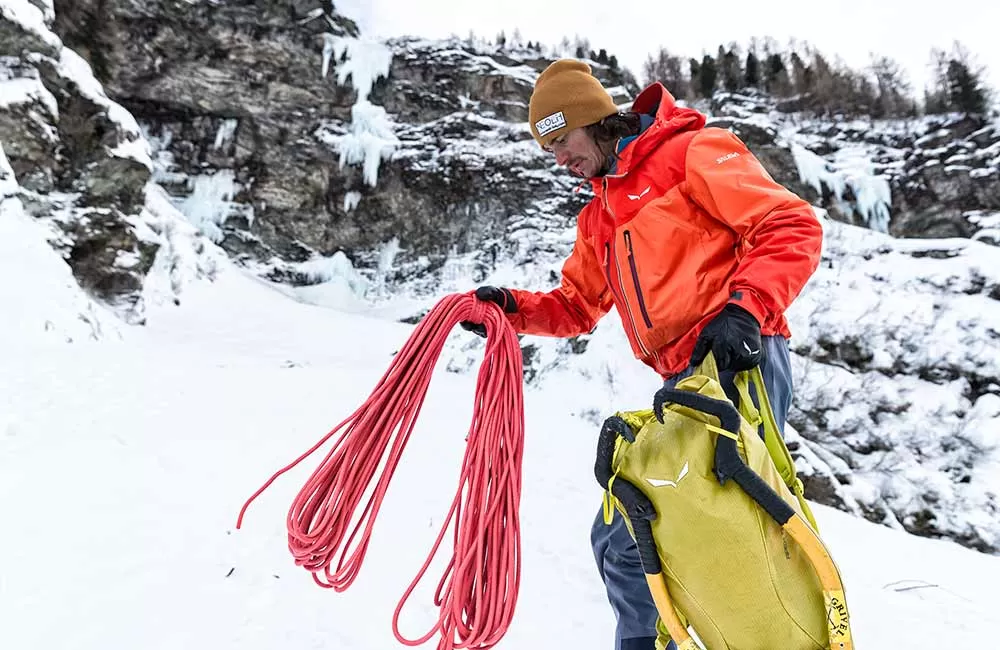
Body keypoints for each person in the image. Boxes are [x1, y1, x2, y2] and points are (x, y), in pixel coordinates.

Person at [463, 59, 823, 650]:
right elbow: (577, 305)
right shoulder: (599, 213)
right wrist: (510, 309)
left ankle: (793, 630)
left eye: (562, 141)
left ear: (593, 120)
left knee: (680, 529)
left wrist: (744, 309)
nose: (559, 160)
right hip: (683, 378)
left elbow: (790, 224)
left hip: (736, 356)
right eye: (547, 148)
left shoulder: (690, 154)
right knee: (629, 537)